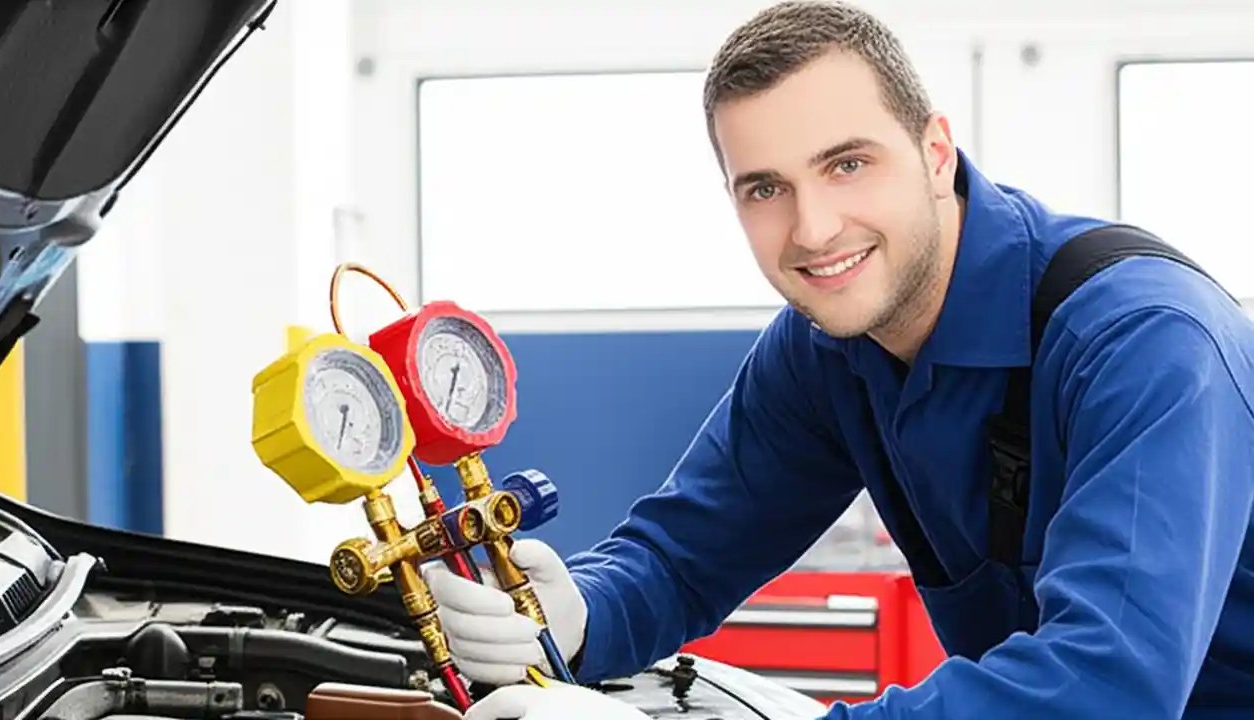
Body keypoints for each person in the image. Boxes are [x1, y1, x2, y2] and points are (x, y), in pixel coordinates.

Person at [423, 1, 1254, 718]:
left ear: (936, 153)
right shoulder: (826, 347)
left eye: (847, 165)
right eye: (765, 188)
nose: (814, 229)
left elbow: (1103, 686)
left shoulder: (1145, 342)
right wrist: (577, 612)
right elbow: (682, 557)